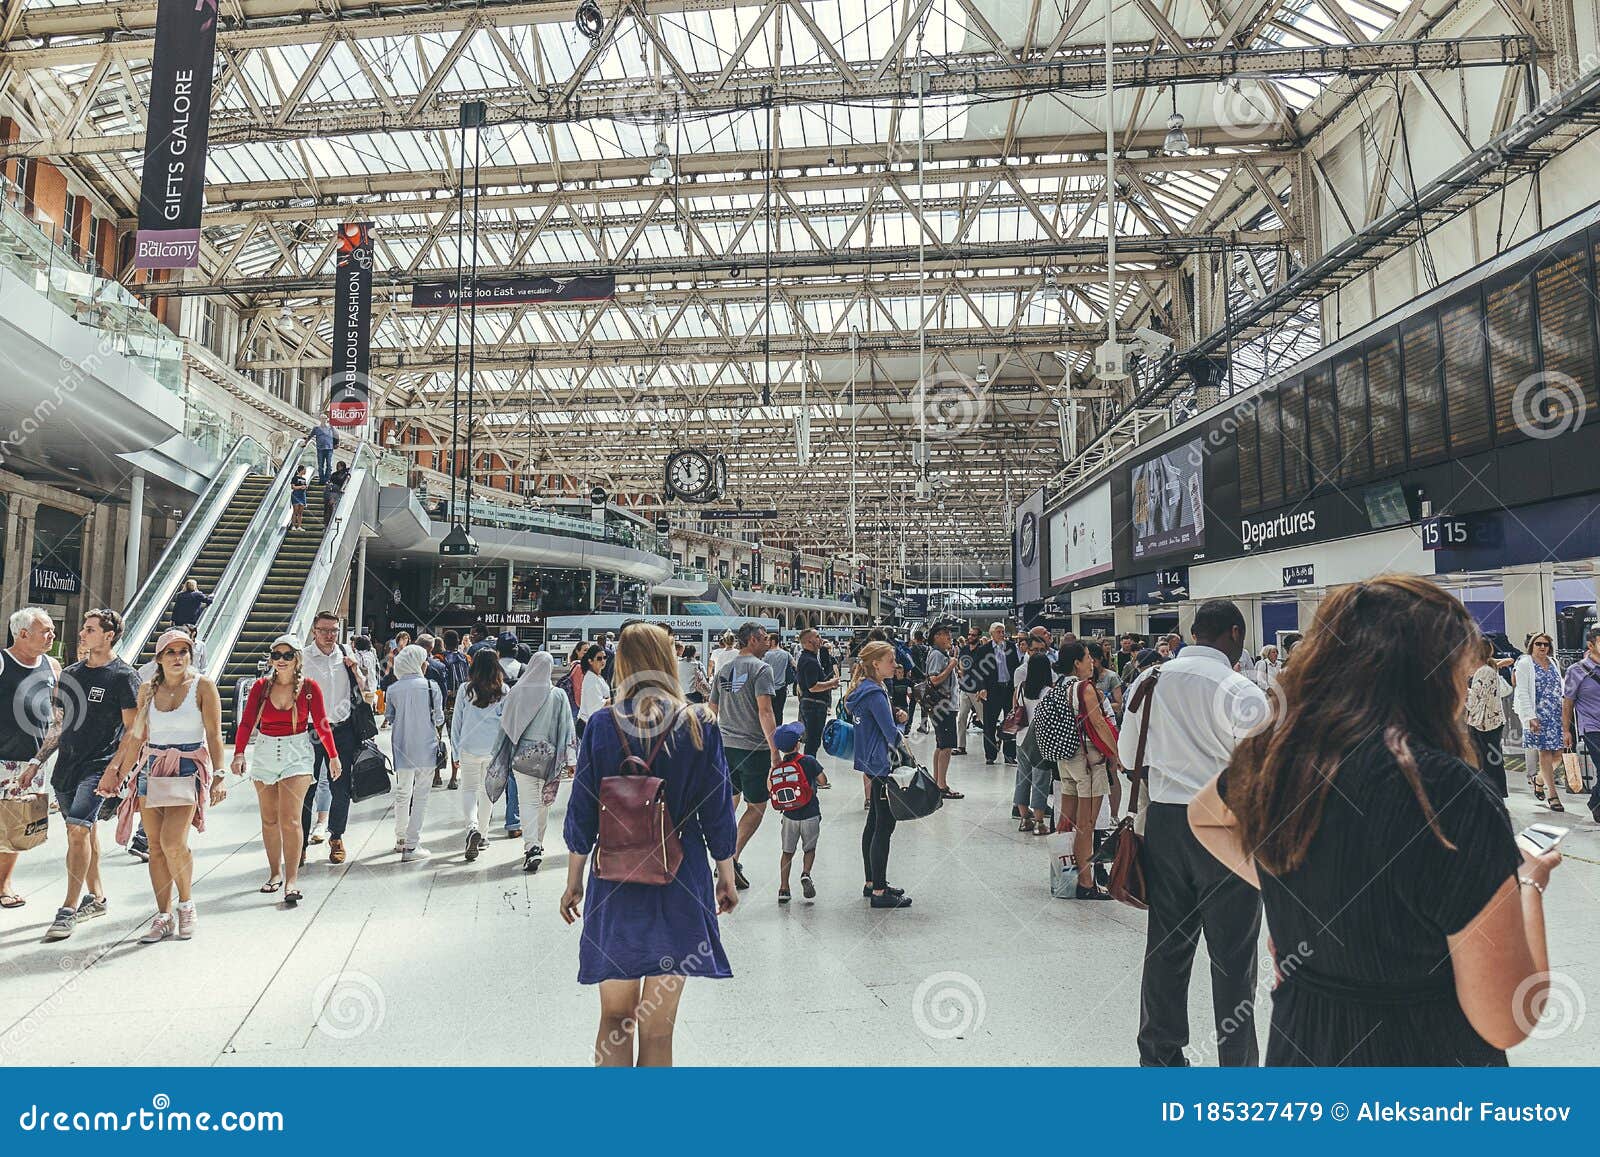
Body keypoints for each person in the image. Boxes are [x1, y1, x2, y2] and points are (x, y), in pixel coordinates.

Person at [1189, 576, 1561, 1065]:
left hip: (1304, 1046)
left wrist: (1299, 891)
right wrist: (1527, 883)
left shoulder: (1280, 759)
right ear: (1431, 672)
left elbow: (1205, 816)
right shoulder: (1449, 793)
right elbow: (1506, 1018)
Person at [559, 622, 738, 1066]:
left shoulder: (602, 724)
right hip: (681, 880)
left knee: (615, 1016)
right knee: (658, 1028)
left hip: (615, 881)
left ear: (623, 663)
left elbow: (582, 811)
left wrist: (574, 881)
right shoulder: (699, 723)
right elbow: (718, 809)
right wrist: (726, 875)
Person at [1118, 599, 1264, 1067]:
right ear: (1235, 634)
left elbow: (1128, 755)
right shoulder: (1240, 689)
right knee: (1234, 959)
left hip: (1165, 824)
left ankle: (1160, 1059)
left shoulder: (1149, 679)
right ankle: (1237, 1067)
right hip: (1225, 824)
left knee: (1166, 948)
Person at [101, 628, 227, 943]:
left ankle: (186, 904)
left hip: (187, 766)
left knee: (173, 843)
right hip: (152, 766)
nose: (178, 657)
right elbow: (136, 736)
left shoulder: (203, 686)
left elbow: (214, 734)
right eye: (171, 652)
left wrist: (220, 775)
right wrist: (118, 774)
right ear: (159, 658)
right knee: (155, 847)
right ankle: (163, 915)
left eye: (183, 651)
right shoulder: (147, 690)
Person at [34, 611, 139, 941]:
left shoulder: (124, 676)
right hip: (67, 767)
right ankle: (97, 898)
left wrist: (116, 770)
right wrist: (36, 762)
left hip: (100, 766)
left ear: (109, 636)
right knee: (84, 830)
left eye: (90, 629)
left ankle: (68, 908)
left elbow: (133, 731)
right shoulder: (70, 674)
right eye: (83, 627)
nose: (82, 633)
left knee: (77, 830)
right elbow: (59, 725)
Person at [233, 635, 339, 904]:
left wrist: (333, 756)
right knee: (269, 820)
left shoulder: (309, 688)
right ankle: (274, 873)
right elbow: (246, 723)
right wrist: (238, 753)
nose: (281, 660)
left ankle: (292, 880)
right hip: (266, 752)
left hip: (297, 753)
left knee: (290, 820)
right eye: (276, 655)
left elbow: (322, 723)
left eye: (287, 655)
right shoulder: (261, 687)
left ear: (297, 659)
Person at [709, 621, 778, 889]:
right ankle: (731, 859)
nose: (767, 642)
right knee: (757, 807)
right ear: (751, 640)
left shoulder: (724, 669)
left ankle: (721, 854)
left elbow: (712, 709)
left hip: (726, 747)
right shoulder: (761, 669)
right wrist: (775, 751)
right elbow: (765, 711)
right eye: (764, 638)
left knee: (730, 801)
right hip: (753, 749)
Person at [0, 608, 61, 912]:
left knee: (17, 828)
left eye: (52, 630)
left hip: (32, 763)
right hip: (1, 759)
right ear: (23, 633)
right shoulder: (2, 661)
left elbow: (59, 713)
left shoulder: (52, 666)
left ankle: (3, 885)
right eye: (46, 630)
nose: (52, 635)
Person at [844, 641, 911, 908]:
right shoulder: (875, 693)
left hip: (869, 760)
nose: (895, 665)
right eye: (890, 660)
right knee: (884, 825)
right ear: (875, 663)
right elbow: (890, 733)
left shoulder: (863, 689)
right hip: (883, 762)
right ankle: (880, 892)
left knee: (873, 821)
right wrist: (902, 724)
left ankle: (872, 881)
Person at [1056, 642, 1123, 896]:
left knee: (1067, 820)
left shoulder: (1060, 685)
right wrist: (1116, 753)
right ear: (1077, 663)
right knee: (1087, 823)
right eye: (1087, 658)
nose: (1092, 662)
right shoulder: (1085, 687)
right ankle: (1086, 883)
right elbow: (1098, 723)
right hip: (1088, 760)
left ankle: (1063, 874)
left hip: (1066, 758)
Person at [501, 651, 577, 872]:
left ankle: (531, 846)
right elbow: (567, 728)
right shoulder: (558, 695)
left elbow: (506, 723)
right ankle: (538, 844)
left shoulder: (516, 691)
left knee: (527, 802)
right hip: (549, 757)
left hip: (522, 757)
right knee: (544, 802)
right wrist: (571, 759)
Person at [300, 611, 366, 865]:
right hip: (310, 731)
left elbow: (365, 689)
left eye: (334, 631)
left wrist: (356, 670)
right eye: (324, 630)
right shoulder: (303, 657)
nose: (329, 635)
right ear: (314, 631)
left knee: (341, 786)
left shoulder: (346, 655)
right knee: (307, 786)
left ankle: (336, 836)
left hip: (342, 729)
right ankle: (300, 843)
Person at [385, 644, 445, 861]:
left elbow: (389, 717)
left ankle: (400, 838)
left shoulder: (393, 689)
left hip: (401, 746)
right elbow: (439, 718)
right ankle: (412, 844)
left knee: (403, 792)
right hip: (426, 747)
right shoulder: (431, 686)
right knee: (421, 795)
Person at [450, 649, 507, 863]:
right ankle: (483, 835)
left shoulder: (465, 690)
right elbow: (507, 724)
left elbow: (457, 722)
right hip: (492, 750)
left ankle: (471, 827)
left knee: (469, 790)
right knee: (487, 792)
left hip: (469, 747)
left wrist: (455, 751)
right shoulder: (504, 691)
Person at [771, 720, 826, 903]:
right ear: (798, 744)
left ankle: (783, 888)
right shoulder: (808, 760)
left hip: (789, 816)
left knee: (787, 852)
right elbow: (823, 780)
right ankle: (805, 873)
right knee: (809, 848)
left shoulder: (778, 767)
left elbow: (770, 787)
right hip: (810, 813)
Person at [1512, 633, 1565, 810]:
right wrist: (1530, 716)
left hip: (1555, 715)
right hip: (1537, 716)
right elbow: (1522, 691)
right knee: (1545, 753)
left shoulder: (1553, 662)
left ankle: (1539, 780)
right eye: (1538, 644)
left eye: (1546, 644)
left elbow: (1560, 686)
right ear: (1532, 646)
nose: (1542, 647)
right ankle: (1553, 795)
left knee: (1558, 755)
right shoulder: (1525, 663)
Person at [1011, 652, 1055, 835]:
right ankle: (1039, 822)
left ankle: (1024, 819)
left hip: (1021, 739)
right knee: (1040, 781)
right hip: (1040, 742)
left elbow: (1015, 709)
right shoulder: (1048, 692)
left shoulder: (1020, 688)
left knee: (1022, 778)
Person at [1562, 624, 1600, 824]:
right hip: (1592, 727)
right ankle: (1595, 803)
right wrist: (1566, 730)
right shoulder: (1576, 670)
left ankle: (1596, 801)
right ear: (1590, 645)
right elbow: (1568, 702)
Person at [1465, 637, 1511, 798]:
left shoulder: (1483, 671)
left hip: (1484, 723)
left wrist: (1462, 688)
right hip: (1489, 722)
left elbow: (1473, 701)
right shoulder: (1487, 668)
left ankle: (1492, 793)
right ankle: (1494, 793)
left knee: (1486, 761)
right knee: (1491, 760)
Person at [922, 623, 961, 799]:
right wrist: (951, 666)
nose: (949, 637)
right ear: (936, 636)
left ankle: (937, 782)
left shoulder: (940, 654)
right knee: (946, 747)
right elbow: (934, 680)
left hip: (943, 706)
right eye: (945, 633)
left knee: (941, 745)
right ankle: (942, 785)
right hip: (943, 707)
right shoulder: (937, 655)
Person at [974, 623, 1018, 766]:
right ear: (991, 634)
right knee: (989, 724)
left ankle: (1009, 755)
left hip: (1009, 689)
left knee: (1010, 723)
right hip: (992, 690)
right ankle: (990, 755)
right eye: (998, 632)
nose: (1001, 634)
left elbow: (1015, 667)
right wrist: (981, 688)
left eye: (1003, 631)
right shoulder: (984, 650)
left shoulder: (1011, 647)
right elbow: (978, 671)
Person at [794, 628, 839, 759]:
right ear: (809, 641)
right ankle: (809, 768)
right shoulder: (810, 661)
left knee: (812, 741)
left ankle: (810, 767)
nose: (820, 639)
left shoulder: (809, 658)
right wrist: (831, 683)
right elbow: (813, 687)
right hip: (814, 705)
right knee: (813, 741)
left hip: (811, 704)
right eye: (817, 637)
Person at [577, 644, 610, 736]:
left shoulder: (597, 676)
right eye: (599, 658)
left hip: (591, 724)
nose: (603, 661)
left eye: (605, 657)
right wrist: (617, 698)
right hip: (588, 726)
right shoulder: (591, 679)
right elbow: (597, 706)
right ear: (590, 661)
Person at [762, 639, 795, 723]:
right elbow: (795, 665)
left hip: (768, 689)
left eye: (768, 640)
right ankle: (778, 729)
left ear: (773, 641)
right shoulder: (786, 654)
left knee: (768, 712)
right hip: (782, 688)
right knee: (779, 712)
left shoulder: (766, 655)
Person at [311, 412, 339, 483]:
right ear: (320, 419)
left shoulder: (331, 428)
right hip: (320, 449)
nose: (324, 420)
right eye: (322, 418)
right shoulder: (316, 428)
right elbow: (310, 435)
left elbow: (336, 435)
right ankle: (322, 479)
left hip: (329, 449)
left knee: (329, 464)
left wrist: (337, 443)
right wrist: (305, 442)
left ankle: (327, 479)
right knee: (320, 465)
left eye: (325, 418)